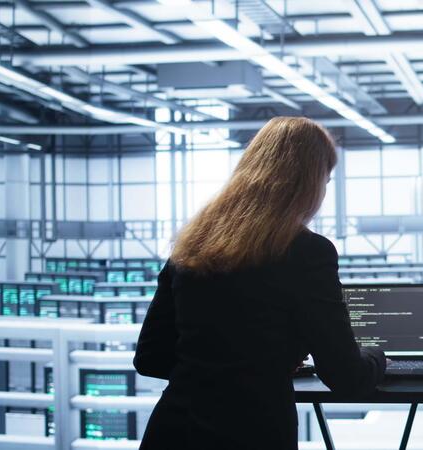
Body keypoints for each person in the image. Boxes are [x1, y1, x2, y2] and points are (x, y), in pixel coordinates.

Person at [133, 117, 386, 450]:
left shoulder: (194, 242)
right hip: (253, 433)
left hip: (175, 432)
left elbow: (151, 358)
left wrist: (235, 363)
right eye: (325, 180)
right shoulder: (308, 251)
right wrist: (377, 357)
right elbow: (347, 378)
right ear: (308, 183)